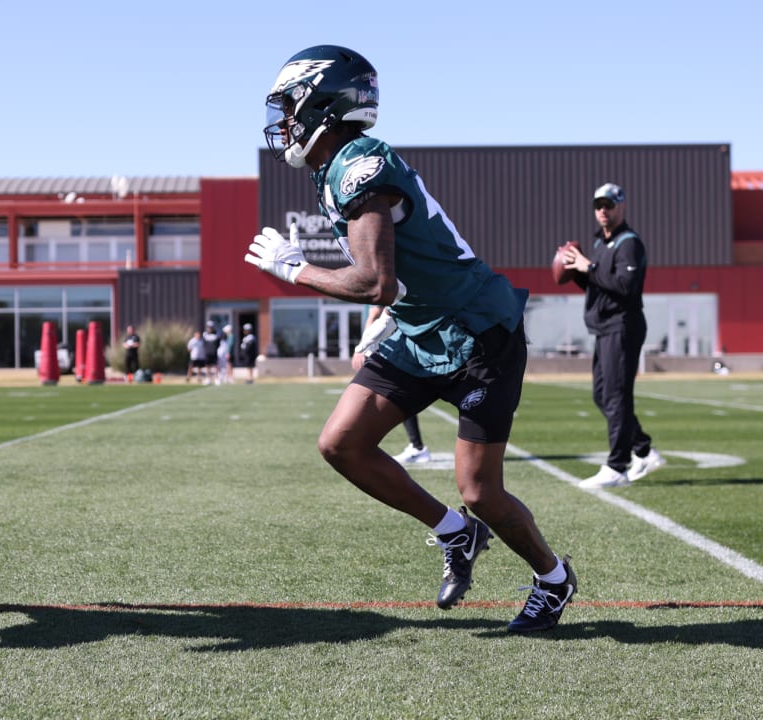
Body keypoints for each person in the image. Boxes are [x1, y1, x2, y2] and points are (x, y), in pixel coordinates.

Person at [245, 45, 575, 633]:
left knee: (479, 489)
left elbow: (376, 279)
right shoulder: (335, 169)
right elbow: (403, 279)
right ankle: (456, 534)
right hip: (421, 326)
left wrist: (294, 269)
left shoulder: (359, 164)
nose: (285, 122)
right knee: (341, 443)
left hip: (478, 332)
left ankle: (552, 579)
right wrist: (385, 326)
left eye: (291, 107)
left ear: (326, 102)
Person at [562, 183, 665, 488]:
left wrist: (588, 266)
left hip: (623, 325)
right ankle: (643, 450)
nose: (603, 210)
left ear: (621, 206)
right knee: (601, 395)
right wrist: (577, 270)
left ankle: (617, 467)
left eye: (609, 204)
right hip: (605, 326)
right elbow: (600, 285)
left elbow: (625, 286)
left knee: (617, 396)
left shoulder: (628, 243)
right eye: (598, 205)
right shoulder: (600, 244)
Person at [355, 306, 430, 464]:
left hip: (384, 346)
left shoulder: (375, 287)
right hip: (386, 345)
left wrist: (363, 347)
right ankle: (417, 446)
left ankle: (417, 447)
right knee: (397, 395)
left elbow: (375, 314)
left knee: (392, 394)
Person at [201, 321, 221, 386]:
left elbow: (218, 344)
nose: (210, 328)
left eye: (211, 327)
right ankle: (208, 379)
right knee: (207, 366)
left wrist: (214, 349)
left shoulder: (217, 334)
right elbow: (204, 344)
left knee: (216, 366)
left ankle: (217, 379)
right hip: (207, 353)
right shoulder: (204, 334)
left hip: (214, 352)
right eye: (209, 327)